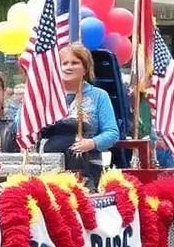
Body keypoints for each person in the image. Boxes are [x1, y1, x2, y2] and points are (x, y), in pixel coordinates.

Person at [21, 42, 119, 190]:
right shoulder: (44, 95)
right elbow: (20, 126)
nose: (68, 67)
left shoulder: (99, 96)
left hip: (85, 170)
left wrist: (91, 143)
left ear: (85, 68)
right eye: (64, 63)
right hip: (44, 168)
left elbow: (112, 133)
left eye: (75, 63)